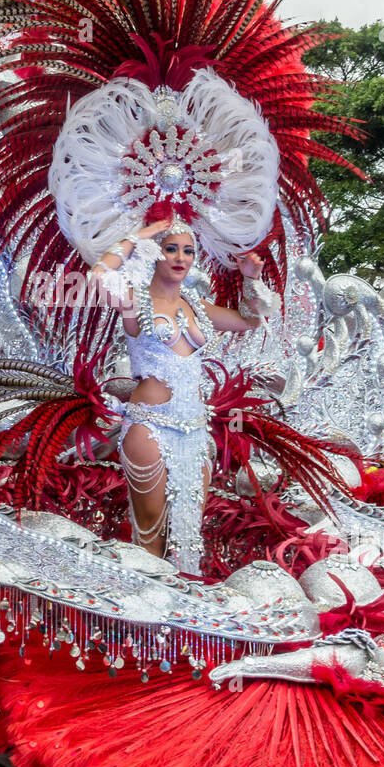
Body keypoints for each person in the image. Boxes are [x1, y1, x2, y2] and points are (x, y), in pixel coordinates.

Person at [91, 215, 277, 573]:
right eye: (170, 248)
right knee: (152, 533)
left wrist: (250, 279)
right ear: (154, 253)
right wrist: (138, 236)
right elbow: (98, 277)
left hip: (195, 431)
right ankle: (145, 618)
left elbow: (250, 320)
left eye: (188, 251)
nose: (180, 257)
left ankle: (178, 621)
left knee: (187, 535)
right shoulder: (134, 302)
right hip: (150, 428)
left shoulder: (197, 307)